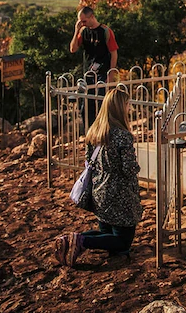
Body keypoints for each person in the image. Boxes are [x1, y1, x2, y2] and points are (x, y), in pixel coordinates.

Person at [54, 88, 142, 267]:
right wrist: (137, 167)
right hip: (120, 195)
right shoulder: (123, 136)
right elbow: (129, 169)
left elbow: (88, 161)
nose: (129, 108)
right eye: (127, 104)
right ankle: (82, 241)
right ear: (119, 107)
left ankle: (70, 240)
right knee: (123, 243)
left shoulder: (94, 132)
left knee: (106, 234)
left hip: (99, 191)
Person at [70, 6, 119, 128]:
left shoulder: (105, 31)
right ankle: (90, 133)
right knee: (86, 107)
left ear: (92, 17)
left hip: (103, 72)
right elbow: (73, 49)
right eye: (80, 21)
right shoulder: (83, 32)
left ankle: (104, 132)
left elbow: (114, 53)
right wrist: (76, 31)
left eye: (84, 21)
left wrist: (111, 75)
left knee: (102, 105)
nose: (82, 23)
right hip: (89, 73)